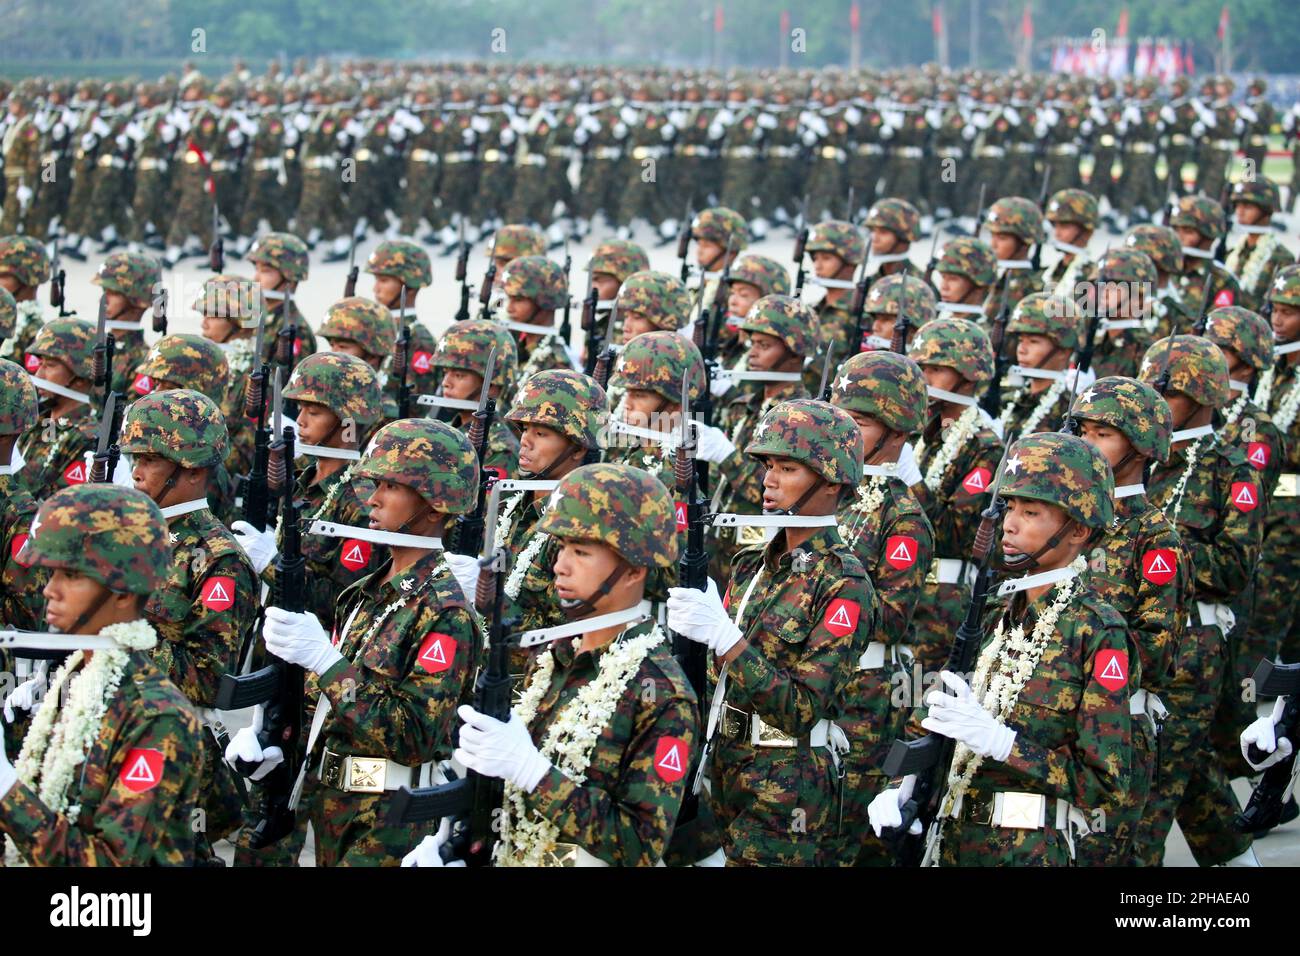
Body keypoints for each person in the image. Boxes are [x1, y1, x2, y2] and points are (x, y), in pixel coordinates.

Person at [868, 432, 1132, 867]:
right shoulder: (992, 612)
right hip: (949, 842)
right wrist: (901, 786)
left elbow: (1105, 783)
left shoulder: (1097, 632)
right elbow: (935, 710)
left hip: (1030, 851)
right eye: (1009, 508)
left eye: (1030, 512)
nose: (1009, 524)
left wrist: (1003, 743)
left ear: (1079, 529)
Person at [420, 463, 699, 867]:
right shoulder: (556, 657)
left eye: (581, 552)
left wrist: (533, 773)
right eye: (562, 548)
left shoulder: (661, 693)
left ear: (635, 570)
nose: (560, 566)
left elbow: (639, 846)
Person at [228, 419, 480, 866]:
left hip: (387, 819)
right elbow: (328, 707)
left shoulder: (445, 613)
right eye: (376, 482)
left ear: (437, 508)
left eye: (393, 486)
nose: (375, 498)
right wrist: (271, 737)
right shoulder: (368, 589)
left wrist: (326, 662)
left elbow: (413, 734)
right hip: (330, 802)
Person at [668, 399, 874, 866]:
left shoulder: (844, 583)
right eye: (767, 466)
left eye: (788, 468)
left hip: (788, 786)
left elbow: (801, 708)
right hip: (724, 764)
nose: (769, 480)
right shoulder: (752, 565)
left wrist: (726, 639)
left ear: (831, 480)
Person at [0, 485, 206, 866]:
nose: (50, 590)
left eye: (72, 575)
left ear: (124, 592)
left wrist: (6, 790)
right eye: (52, 573)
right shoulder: (79, 675)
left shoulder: (156, 717)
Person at [1137, 335, 1263, 867]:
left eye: (1166, 390)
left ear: (1203, 394)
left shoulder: (1231, 469)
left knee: (1148, 787)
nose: (1153, 398)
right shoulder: (1136, 459)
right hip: (1137, 632)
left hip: (1191, 643)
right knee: (1185, 773)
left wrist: (1160, 548)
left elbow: (1234, 569)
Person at [1070, 376, 1190, 866]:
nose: (1086, 444)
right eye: (1083, 431)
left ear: (1140, 447)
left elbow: (1157, 651)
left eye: (1103, 434)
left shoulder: (1155, 539)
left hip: (1112, 723)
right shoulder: (1064, 522)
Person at [829, 350, 935, 865]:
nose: (844, 430)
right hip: (803, 684)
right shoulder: (826, 491)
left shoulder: (902, 515)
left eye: (860, 421)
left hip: (859, 695)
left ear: (896, 431)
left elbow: (891, 618)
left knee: (848, 835)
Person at [232, 352, 385, 634]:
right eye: (300, 408)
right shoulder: (304, 477)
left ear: (347, 421)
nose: (300, 420)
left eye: (313, 412)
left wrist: (273, 565)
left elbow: (342, 601)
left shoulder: (363, 503)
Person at [906, 318, 1004, 675]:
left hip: (943, 603)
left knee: (923, 701)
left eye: (935, 369)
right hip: (906, 588)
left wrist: (910, 477)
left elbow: (952, 533)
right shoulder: (923, 431)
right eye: (921, 369)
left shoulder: (985, 447)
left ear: (967, 375)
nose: (925, 379)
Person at [17, 317, 99, 500]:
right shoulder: (41, 419)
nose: (39, 374)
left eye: (50, 365)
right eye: (40, 364)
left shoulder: (88, 438)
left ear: (80, 376)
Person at [428, 320, 520, 475]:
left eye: (459, 375)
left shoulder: (500, 451)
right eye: (445, 372)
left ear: (491, 385)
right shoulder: (444, 431)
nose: (445, 383)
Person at [992, 293, 1082, 439]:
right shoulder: (1006, 400)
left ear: (1063, 351)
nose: (1022, 349)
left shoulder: (1072, 415)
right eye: (1021, 340)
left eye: (1033, 341)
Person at [89, 251, 161, 395]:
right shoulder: (94, 344)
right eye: (104, 291)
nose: (103, 300)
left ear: (137, 299)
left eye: (114, 293)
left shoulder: (142, 362)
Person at [1224, 178, 1293, 314]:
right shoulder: (1233, 252)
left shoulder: (1281, 257)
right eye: (1237, 205)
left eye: (1248, 207)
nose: (1240, 211)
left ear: (1266, 210)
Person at [982, 196, 1046, 318]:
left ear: (1024, 243)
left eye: (1002, 238)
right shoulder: (1000, 276)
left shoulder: (1030, 289)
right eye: (992, 236)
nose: (993, 245)